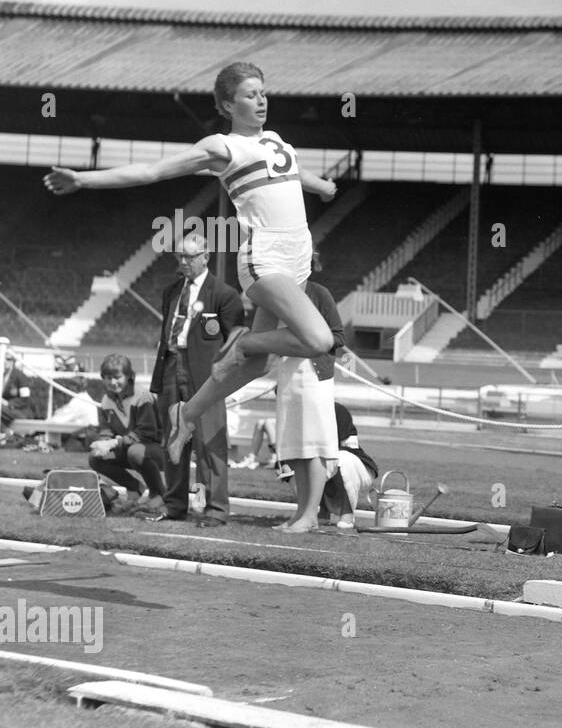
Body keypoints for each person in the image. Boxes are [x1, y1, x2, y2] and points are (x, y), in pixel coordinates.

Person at [43, 61, 337, 467]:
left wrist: (322, 186)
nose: (261, 100)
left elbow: (290, 172)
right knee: (318, 340)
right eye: (250, 95)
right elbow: (151, 171)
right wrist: (83, 179)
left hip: (299, 253)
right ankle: (244, 341)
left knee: (260, 365)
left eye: (263, 92)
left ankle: (189, 413)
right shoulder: (221, 147)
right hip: (264, 256)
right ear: (227, 105)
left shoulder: (273, 139)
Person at [146, 235, 246, 527]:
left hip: (206, 375)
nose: (183, 262)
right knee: (173, 439)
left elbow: (237, 341)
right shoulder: (172, 291)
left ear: (206, 256)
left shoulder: (225, 295)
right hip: (171, 368)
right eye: (179, 257)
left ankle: (215, 509)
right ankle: (175, 505)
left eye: (189, 257)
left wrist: (226, 379)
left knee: (210, 440)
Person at [273, 268, 344, 534]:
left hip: (314, 376)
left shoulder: (319, 293)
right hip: (289, 375)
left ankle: (311, 513)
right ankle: (301, 512)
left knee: (313, 446)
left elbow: (338, 336)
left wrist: (309, 341)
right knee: (296, 448)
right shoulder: (276, 295)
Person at [87, 354, 166, 514]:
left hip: (156, 449)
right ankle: (134, 487)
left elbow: (146, 434)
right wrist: (102, 443)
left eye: (117, 377)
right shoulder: (106, 400)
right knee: (95, 457)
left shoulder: (142, 396)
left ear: (129, 376)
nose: (112, 382)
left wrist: (113, 443)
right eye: (107, 378)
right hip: (128, 447)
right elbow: (106, 429)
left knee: (135, 451)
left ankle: (158, 494)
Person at [318, 402, 379, 532]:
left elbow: (350, 449)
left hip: (356, 464)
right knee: (309, 462)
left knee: (338, 459)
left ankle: (347, 513)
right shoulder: (294, 415)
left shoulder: (338, 410)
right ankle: (319, 511)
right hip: (325, 462)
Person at [2, 352, 36, 435]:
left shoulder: (20, 376)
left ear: (13, 361)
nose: (4, 361)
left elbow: (25, 399)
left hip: (19, 411)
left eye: (8, 359)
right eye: (2, 358)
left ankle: (8, 433)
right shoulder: (1, 375)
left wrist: (8, 403)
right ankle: (7, 433)